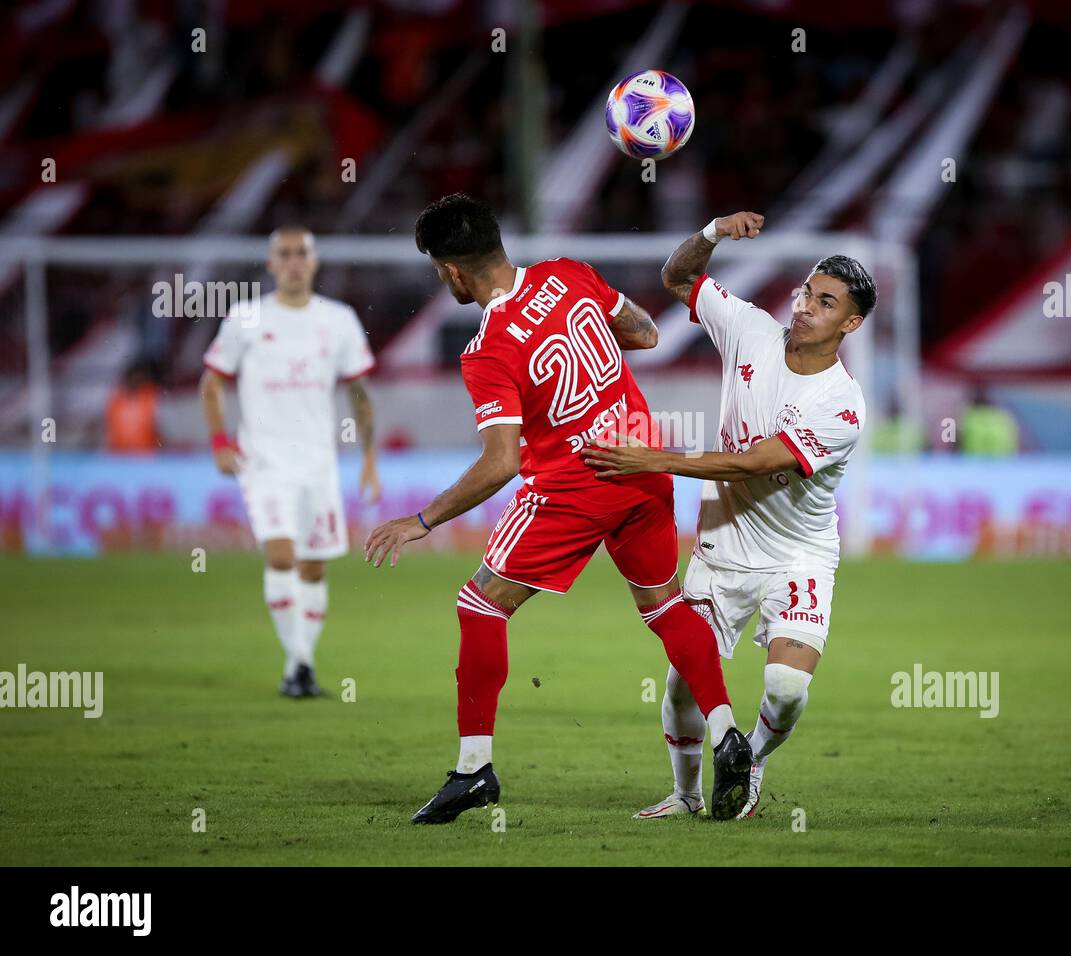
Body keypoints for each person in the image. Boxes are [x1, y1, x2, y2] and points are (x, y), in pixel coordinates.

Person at [362, 193, 752, 824]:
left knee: (480, 602)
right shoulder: (568, 272)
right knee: (666, 604)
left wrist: (422, 519)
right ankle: (729, 730)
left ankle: (473, 771)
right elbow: (646, 334)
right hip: (643, 464)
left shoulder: (487, 347)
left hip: (575, 487)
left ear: (453, 271)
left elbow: (501, 462)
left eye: (439, 269)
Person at [583, 211, 873, 819]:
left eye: (824, 302)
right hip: (724, 545)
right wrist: (712, 233)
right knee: (683, 682)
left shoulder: (841, 405)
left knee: (787, 689)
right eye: (804, 292)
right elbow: (678, 277)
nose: (804, 307)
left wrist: (650, 461)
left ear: (850, 323)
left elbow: (749, 464)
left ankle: (751, 757)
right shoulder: (749, 329)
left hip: (799, 555)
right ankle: (687, 795)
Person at [200, 227, 381, 698]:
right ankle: (299, 666)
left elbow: (359, 393)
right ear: (271, 263)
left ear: (314, 262)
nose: (295, 261)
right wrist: (220, 440)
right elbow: (211, 382)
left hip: (319, 464)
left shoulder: (338, 320)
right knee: (282, 555)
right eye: (285, 254)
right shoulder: (245, 319)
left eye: (303, 253)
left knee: (315, 568)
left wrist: (369, 459)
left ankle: (297, 665)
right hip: (263, 461)